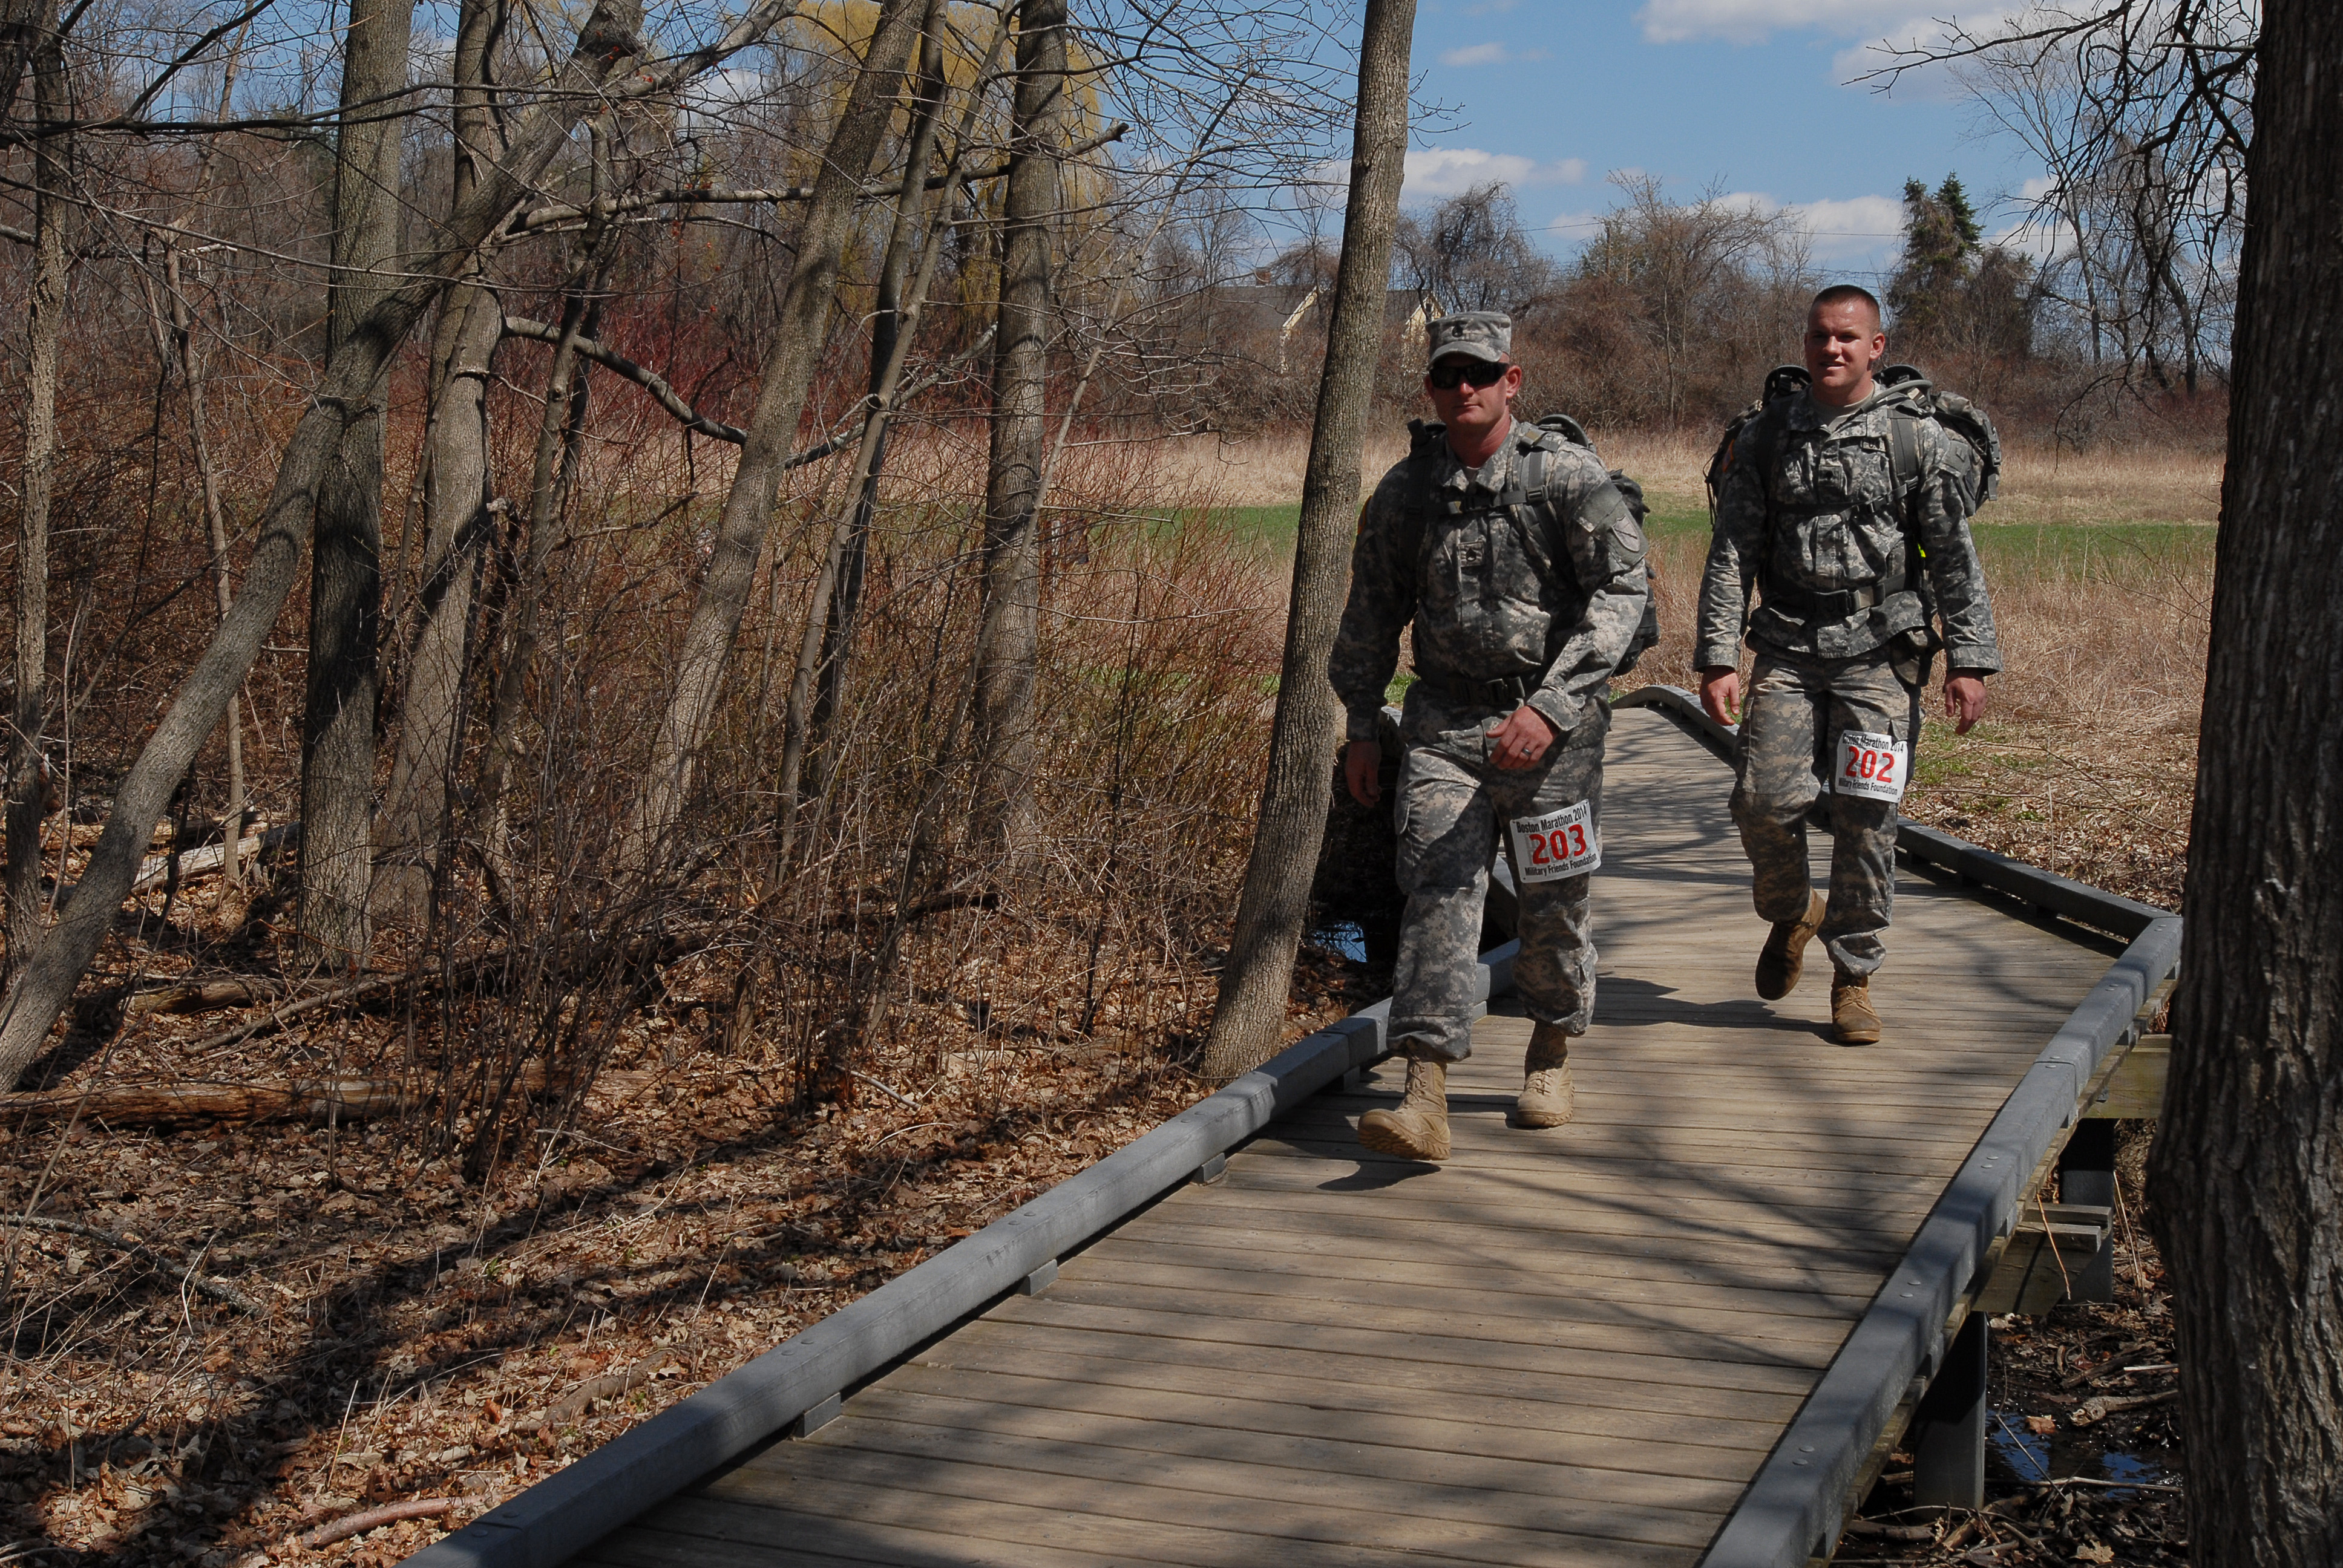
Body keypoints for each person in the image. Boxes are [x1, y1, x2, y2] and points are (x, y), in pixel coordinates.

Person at [1328, 312, 1651, 1161]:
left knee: (1553, 902)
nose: (1463, 389)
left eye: (1480, 373)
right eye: (1448, 376)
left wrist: (1551, 707)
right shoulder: (1406, 491)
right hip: (1442, 724)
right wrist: (1364, 722)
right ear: (1431, 390)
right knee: (1436, 892)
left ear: (1512, 380)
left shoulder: (1568, 479)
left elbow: (1625, 593)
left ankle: (1550, 1047)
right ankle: (1423, 1086)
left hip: (1555, 733)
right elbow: (1369, 613)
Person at [1696, 284, 2002, 1045]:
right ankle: (1794, 909)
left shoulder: (1913, 439)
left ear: (1875, 348)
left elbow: (1954, 556)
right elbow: (1731, 552)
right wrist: (1715, 654)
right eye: (1817, 337)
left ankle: (1854, 976)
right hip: (1788, 645)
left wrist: (1969, 658)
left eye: (1845, 338)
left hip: (1879, 648)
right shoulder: (1767, 439)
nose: (1830, 349)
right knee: (1761, 802)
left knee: (1867, 819)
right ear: (1804, 346)